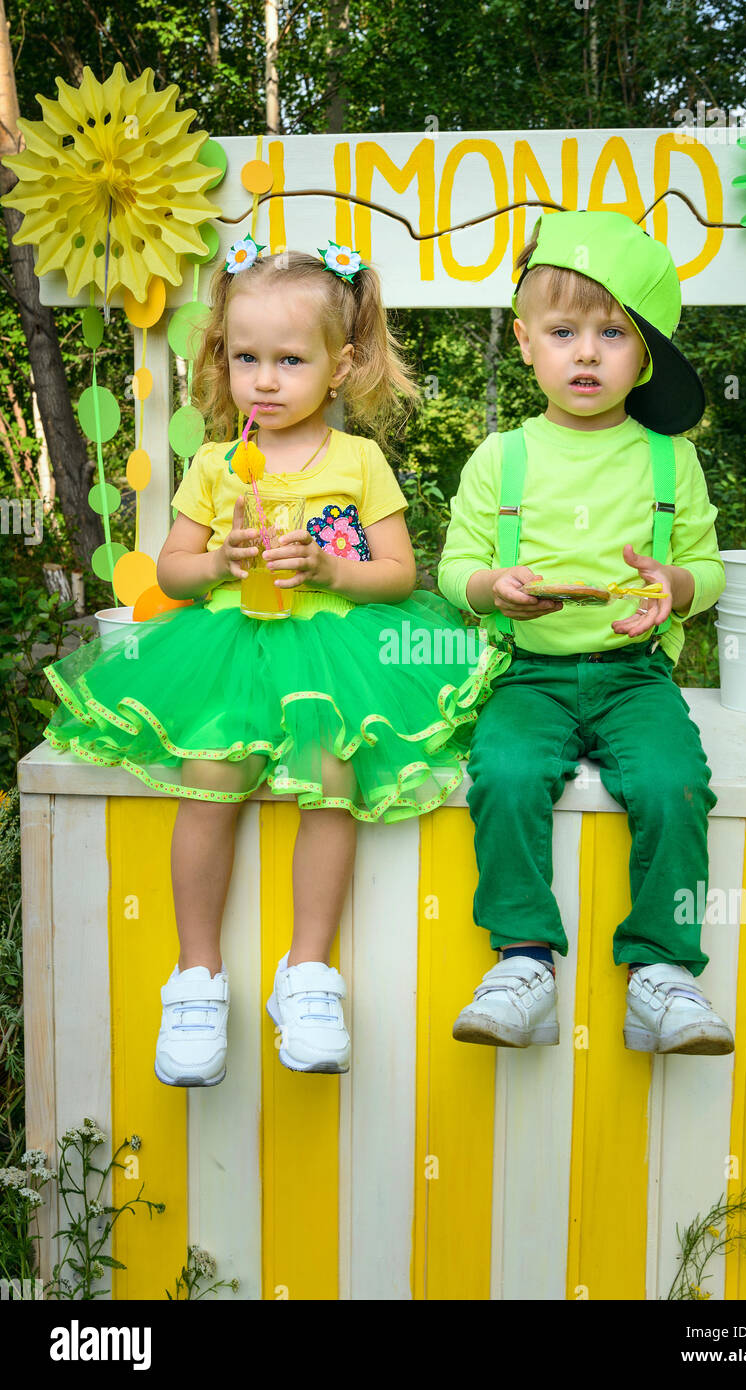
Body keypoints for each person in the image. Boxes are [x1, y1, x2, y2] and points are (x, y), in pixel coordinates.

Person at [43, 240, 508, 1086]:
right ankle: (196, 978)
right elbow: (172, 571)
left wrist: (334, 569)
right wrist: (220, 561)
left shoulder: (358, 462)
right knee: (209, 776)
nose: (265, 379)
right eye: (245, 357)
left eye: (290, 360)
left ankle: (309, 975)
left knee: (330, 778)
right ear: (221, 361)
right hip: (229, 648)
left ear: (340, 366)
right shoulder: (218, 465)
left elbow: (400, 572)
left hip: (334, 650)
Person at [438, 209, 735, 1056]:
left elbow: (707, 571)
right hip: (529, 674)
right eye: (564, 332)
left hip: (636, 674)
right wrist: (496, 588)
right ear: (527, 342)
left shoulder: (669, 460)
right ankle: (523, 960)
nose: (588, 353)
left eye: (612, 334)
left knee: (677, 780)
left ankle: (663, 973)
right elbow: (452, 570)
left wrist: (674, 589)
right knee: (503, 770)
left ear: (644, 357)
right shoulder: (503, 457)